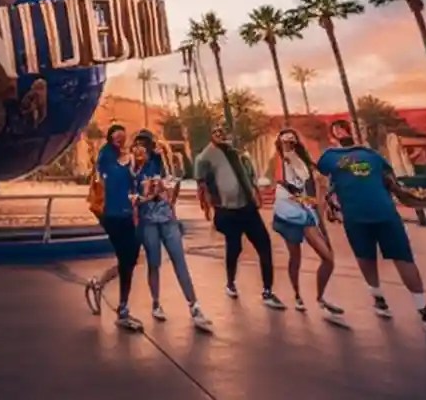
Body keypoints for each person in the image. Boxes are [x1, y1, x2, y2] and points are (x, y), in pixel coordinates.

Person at [316, 119, 426, 331]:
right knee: (366, 259)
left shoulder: (373, 156)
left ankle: (423, 308)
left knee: (403, 258)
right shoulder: (328, 158)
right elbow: (318, 179)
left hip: (386, 215)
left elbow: (390, 181)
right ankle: (378, 297)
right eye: (336, 129)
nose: (341, 131)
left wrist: (408, 196)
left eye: (344, 127)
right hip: (355, 218)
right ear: (332, 136)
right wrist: (325, 204)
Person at [194, 125, 285, 309]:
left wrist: (256, 195)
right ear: (210, 135)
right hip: (227, 211)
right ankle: (230, 283)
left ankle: (267, 291)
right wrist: (208, 207)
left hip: (247, 209)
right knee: (234, 248)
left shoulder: (236, 154)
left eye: (223, 132)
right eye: (216, 131)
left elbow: (248, 178)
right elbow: (201, 184)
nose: (220, 134)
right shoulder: (205, 157)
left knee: (264, 246)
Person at [130, 130, 213, 332]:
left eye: (145, 144)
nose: (141, 148)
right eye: (138, 144)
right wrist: (147, 196)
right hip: (148, 221)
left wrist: (170, 200)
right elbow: (133, 196)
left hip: (167, 219)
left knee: (179, 261)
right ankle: (156, 302)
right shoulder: (133, 168)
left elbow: (175, 180)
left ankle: (194, 305)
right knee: (154, 263)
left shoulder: (161, 161)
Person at [270, 128, 344, 321]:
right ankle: (297, 295)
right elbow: (289, 186)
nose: (289, 144)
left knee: (328, 258)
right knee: (295, 256)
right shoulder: (280, 162)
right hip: (290, 214)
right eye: (285, 141)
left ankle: (320, 298)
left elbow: (314, 186)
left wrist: (323, 201)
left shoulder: (303, 161)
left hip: (306, 212)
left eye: (292, 140)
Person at [84, 124, 144, 330]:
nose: (120, 140)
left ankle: (102, 286)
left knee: (131, 258)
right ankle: (122, 307)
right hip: (111, 216)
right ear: (110, 138)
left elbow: (134, 185)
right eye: (116, 137)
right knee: (126, 258)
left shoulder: (127, 161)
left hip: (127, 215)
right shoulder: (106, 156)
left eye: (123, 137)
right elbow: (101, 174)